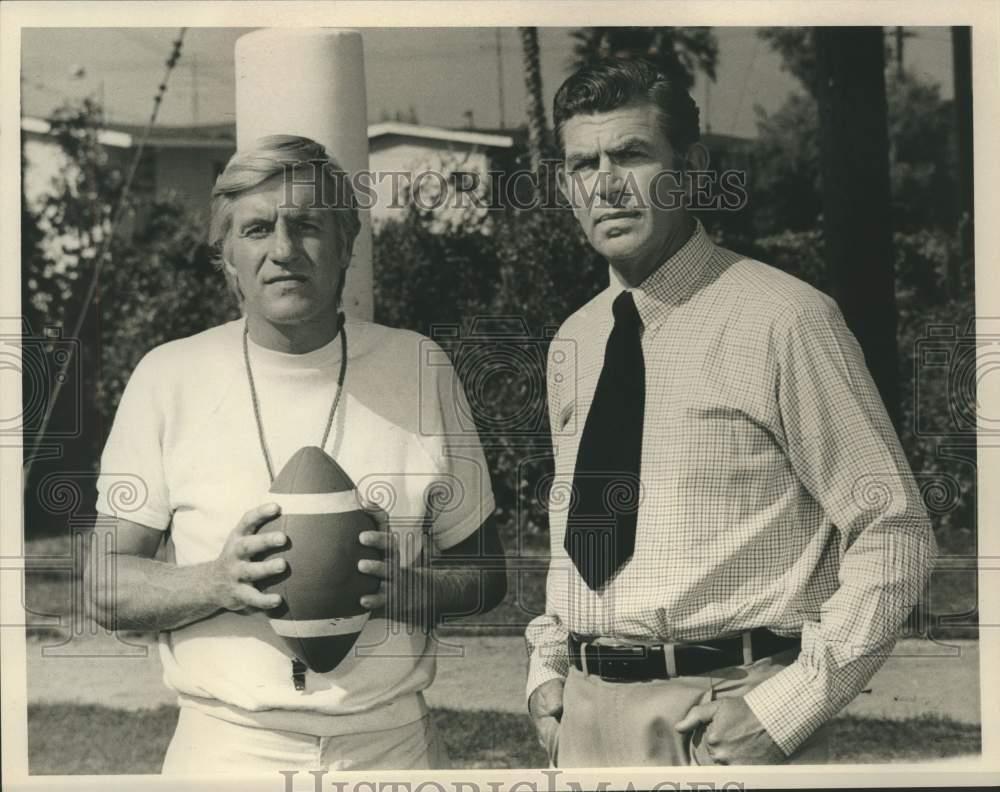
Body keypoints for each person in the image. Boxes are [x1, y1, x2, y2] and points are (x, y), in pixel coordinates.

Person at [525, 58, 937, 767]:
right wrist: (547, 673)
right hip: (586, 720)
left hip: (723, 720)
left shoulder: (785, 320)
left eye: (631, 154)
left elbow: (893, 532)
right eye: (583, 163)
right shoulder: (576, 339)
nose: (607, 184)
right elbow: (581, 532)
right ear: (566, 183)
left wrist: (786, 711)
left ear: (690, 167)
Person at [88, 135, 506, 773]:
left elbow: (486, 573)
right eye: (256, 229)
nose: (283, 250)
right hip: (226, 748)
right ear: (226, 256)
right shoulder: (169, 376)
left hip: (389, 749)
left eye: (307, 225)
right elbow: (106, 584)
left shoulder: (419, 367)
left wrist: (408, 591)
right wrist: (218, 581)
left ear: (346, 245)